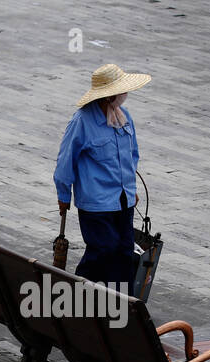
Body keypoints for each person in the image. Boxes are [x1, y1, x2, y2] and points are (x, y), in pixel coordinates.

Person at [54, 63, 151, 289]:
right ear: (110, 96)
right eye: (122, 91)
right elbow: (65, 161)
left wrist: (131, 188)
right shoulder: (82, 121)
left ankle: (120, 304)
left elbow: (132, 155)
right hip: (96, 204)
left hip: (123, 201)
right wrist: (63, 195)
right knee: (103, 250)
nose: (125, 95)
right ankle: (75, 294)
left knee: (124, 251)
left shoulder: (124, 116)